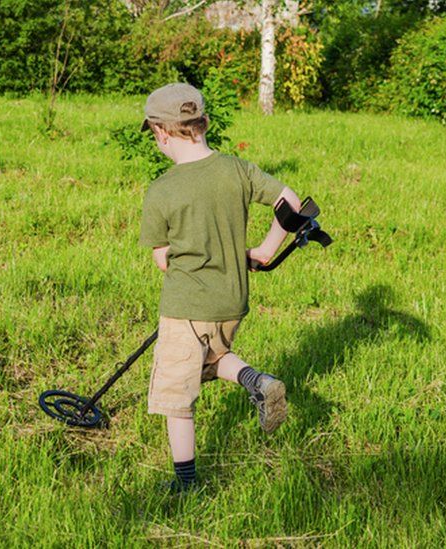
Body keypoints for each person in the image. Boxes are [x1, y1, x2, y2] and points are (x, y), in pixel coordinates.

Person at [138, 82, 302, 493]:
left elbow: (162, 259)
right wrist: (264, 249)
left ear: (160, 132)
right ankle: (258, 382)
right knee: (213, 355)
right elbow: (291, 202)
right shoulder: (237, 170)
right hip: (232, 300)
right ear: (204, 123)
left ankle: (185, 484)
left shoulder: (161, 190)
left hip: (185, 303)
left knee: (177, 397)